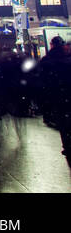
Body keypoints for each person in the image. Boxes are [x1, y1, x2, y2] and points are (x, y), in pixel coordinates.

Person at [37, 37, 71, 168]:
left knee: (62, 120)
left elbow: (42, 80)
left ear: (51, 45)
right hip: (68, 92)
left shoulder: (46, 61)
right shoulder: (68, 59)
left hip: (57, 95)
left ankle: (67, 145)